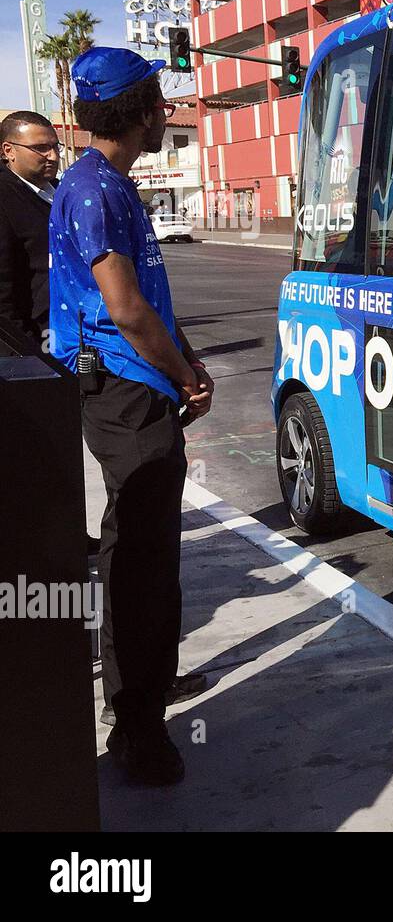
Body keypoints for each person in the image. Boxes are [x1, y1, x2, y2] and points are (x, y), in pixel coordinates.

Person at [49, 47, 214, 786]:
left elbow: (148, 293)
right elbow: (122, 307)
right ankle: (137, 726)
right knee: (141, 561)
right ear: (140, 111)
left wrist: (187, 358)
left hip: (143, 383)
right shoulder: (92, 191)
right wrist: (180, 372)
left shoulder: (110, 183)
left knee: (148, 552)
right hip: (123, 389)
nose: (166, 115)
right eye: (160, 104)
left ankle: (147, 690)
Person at [0, 111, 60, 350]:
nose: (53, 156)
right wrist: (27, 354)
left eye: (56, 147)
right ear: (8, 151)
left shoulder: (60, 191)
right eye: (41, 148)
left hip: (72, 334)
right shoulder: (5, 198)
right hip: (37, 343)